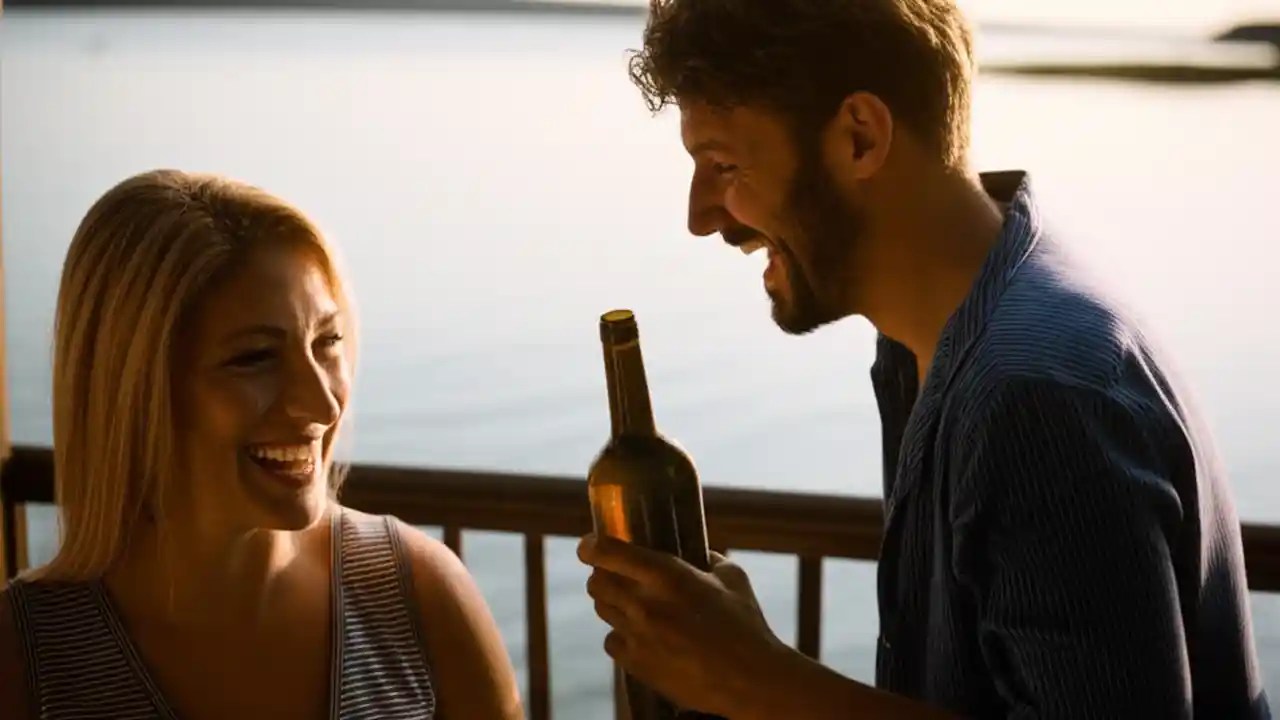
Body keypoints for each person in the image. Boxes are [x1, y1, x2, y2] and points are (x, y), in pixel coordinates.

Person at [577, 1, 1269, 718]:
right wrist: (738, 660)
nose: (700, 218)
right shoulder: (953, 334)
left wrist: (762, 683)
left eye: (724, 164)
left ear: (859, 137)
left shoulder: (1035, 393)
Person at [0, 170, 523, 720]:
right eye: (255, 358)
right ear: (131, 392)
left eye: (327, 342)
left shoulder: (419, 596)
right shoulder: (23, 660)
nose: (322, 406)